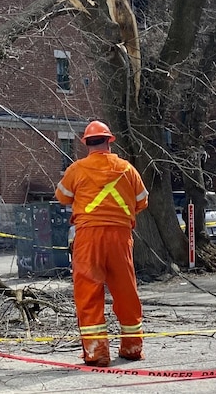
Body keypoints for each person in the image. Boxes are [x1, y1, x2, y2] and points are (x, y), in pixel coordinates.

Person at [55, 120, 149, 367]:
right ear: (109, 141)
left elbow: (62, 196)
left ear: (86, 143)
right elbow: (142, 201)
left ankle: (96, 353)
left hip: (88, 237)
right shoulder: (127, 169)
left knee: (88, 293)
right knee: (126, 291)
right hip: (120, 237)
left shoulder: (77, 169)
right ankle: (132, 347)